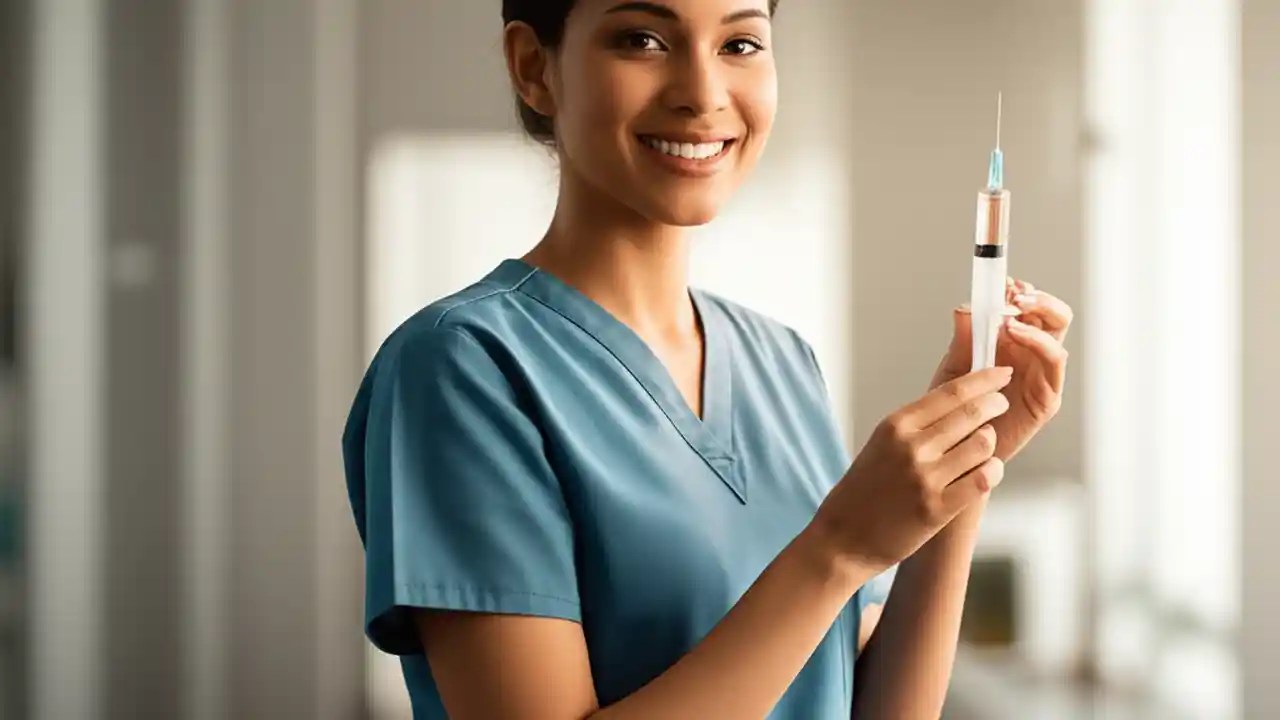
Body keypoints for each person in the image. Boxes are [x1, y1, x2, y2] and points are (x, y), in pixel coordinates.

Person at [341, 1, 1074, 717]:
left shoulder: (783, 363)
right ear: (535, 68)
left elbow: (875, 706)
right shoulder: (464, 368)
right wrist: (838, 548)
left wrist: (966, 470)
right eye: (642, 38)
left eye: (741, 44)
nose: (702, 93)